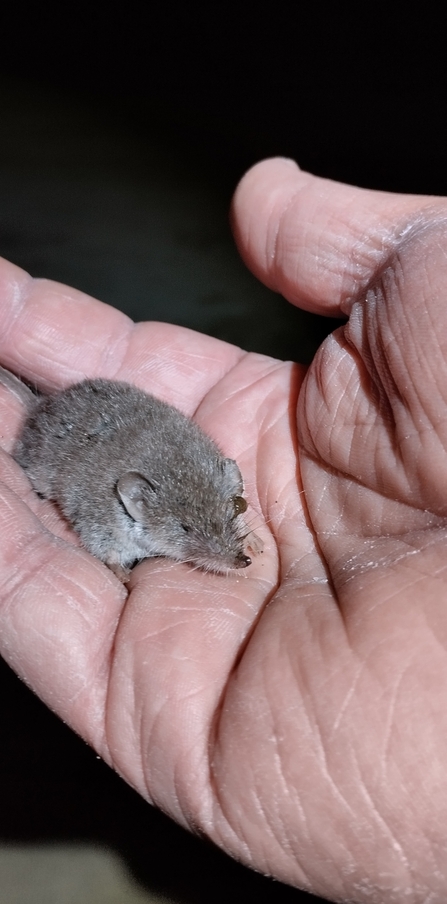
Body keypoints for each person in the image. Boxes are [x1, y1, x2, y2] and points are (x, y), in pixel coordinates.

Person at [0, 156, 445, 904]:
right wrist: (115, 565)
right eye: (186, 533)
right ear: (139, 512)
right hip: (68, 441)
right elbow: (102, 532)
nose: (225, 552)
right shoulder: (113, 510)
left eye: (227, 518)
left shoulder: (206, 472)